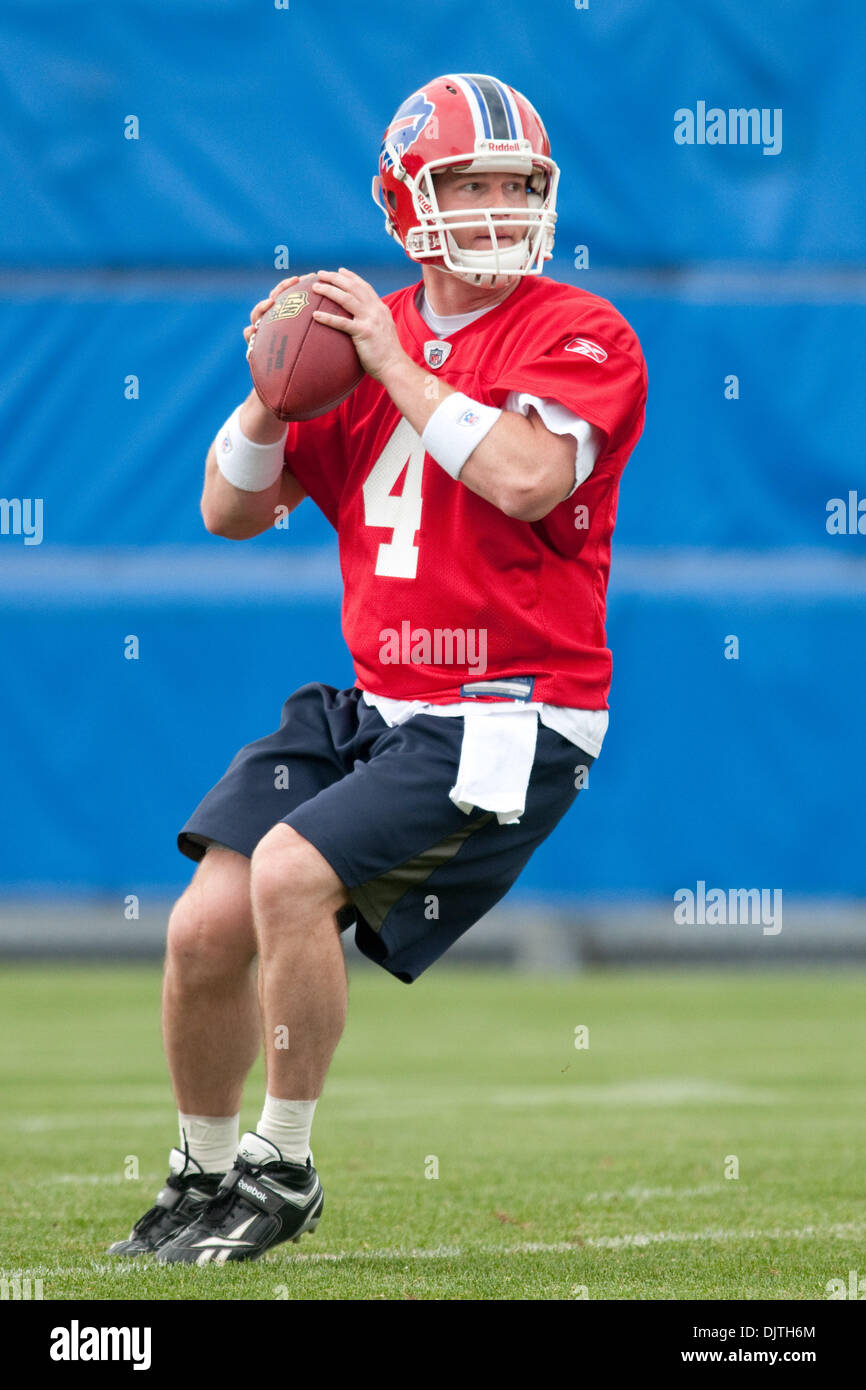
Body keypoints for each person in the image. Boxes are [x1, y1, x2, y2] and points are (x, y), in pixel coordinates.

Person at [107, 72, 647, 1265]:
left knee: (292, 877)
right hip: (376, 701)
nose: (500, 205)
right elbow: (225, 510)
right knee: (203, 925)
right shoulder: (353, 341)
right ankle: (200, 1177)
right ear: (406, 196)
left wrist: (395, 365)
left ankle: (281, 1163)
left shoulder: (580, 330)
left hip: (512, 709)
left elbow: (521, 477)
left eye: (518, 185)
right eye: (472, 182)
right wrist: (265, 397)